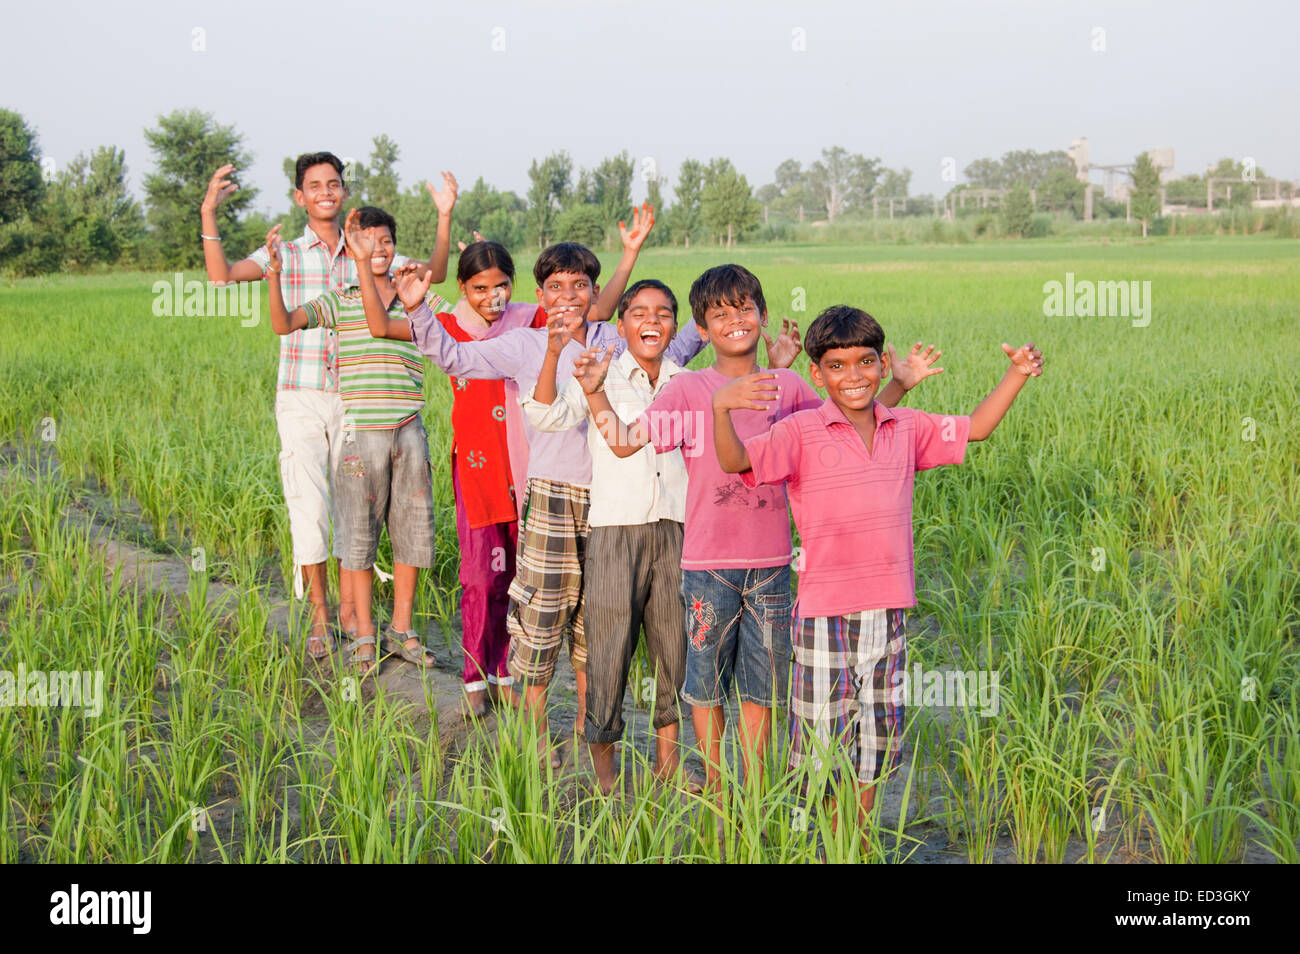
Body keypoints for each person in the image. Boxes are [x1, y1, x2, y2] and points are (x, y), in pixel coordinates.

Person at [575, 265, 939, 798]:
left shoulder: (787, 387)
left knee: (761, 686)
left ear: (762, 316)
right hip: (706, 565)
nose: (735, 320)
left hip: (771, 564)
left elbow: (845, 428)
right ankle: (718, 786)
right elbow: (626, 441)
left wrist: (899, 382)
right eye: (720, 313)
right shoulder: (688, 389)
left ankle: (755, 788)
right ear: (702, 328)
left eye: (745, 308)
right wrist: (593, 394)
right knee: (703, 686)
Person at [368, 208, 695, 766]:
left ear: (595, 294)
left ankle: (594, 745)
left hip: (615, 509)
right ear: (540, 294)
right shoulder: (524, 343)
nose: (567, 296)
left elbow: (679, 349)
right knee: (540, 623)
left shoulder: (616, 343)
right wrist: (419, 306)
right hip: (549, 498)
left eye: (579, 286)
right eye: (555, 287)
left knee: (598, 633)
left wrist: (718, 317)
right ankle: (535, 746)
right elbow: (453, 356)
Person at [713, 304, 1043, 849]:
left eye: (866, 362)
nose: (854, 376)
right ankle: (822, 841)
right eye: (837, 366)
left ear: (882, 362)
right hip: (823, 617)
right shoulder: (799, 431)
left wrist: (1017, 373)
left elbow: (978, 428)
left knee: (875, 743)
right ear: (816, 374)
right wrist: (721, 409)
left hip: (888, 615)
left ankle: (858, 838)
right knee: (821, 746)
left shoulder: (906, 427)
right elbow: (733, 463)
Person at [199, 152, 457, 658]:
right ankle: (321, 617)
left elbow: (436, 275)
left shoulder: (365, 244)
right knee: (310, 506)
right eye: (314, 185)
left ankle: (356, 617)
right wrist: (209, 212)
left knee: (356, 511)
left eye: (334, 183)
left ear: (344, 191)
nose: (325, 191)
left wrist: (444, 216)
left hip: (360, 398)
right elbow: (221, 276)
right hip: (301, 392)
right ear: (300, 196)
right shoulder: (289, 253)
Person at [522, 280, 700, 794]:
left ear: (674, 326)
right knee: (607, 651)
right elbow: (545, 415)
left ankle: (667, 763)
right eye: (639, 312)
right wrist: (556, 352)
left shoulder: (687, 382)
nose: (653, 320)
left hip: (675, 529)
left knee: (674, 651)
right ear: (620, 325)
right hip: (614, 532)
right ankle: (605, 777)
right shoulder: (601, 374)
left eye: (664, 313)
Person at [267, 207, 450, 675]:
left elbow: (461, 320)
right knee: (358, 538)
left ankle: (402, 629)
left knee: (412, 534)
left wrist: (447, 225)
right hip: (360, 436)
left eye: (386, 240)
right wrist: (273, 276)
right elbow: (285, 323)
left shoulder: (416, 299)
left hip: (408, 429)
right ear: (351, 249)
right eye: (366, 242)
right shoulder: (339, 300)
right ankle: (364, 634)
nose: (378, 249)